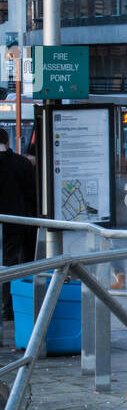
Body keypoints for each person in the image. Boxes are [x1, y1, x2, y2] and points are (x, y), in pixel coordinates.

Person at [0, 127, 38, 321]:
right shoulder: (21, 164)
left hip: (9, 224)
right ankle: (10, 308)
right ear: (7, 142)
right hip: (16, 223)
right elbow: (32, 195)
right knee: (12, 266)